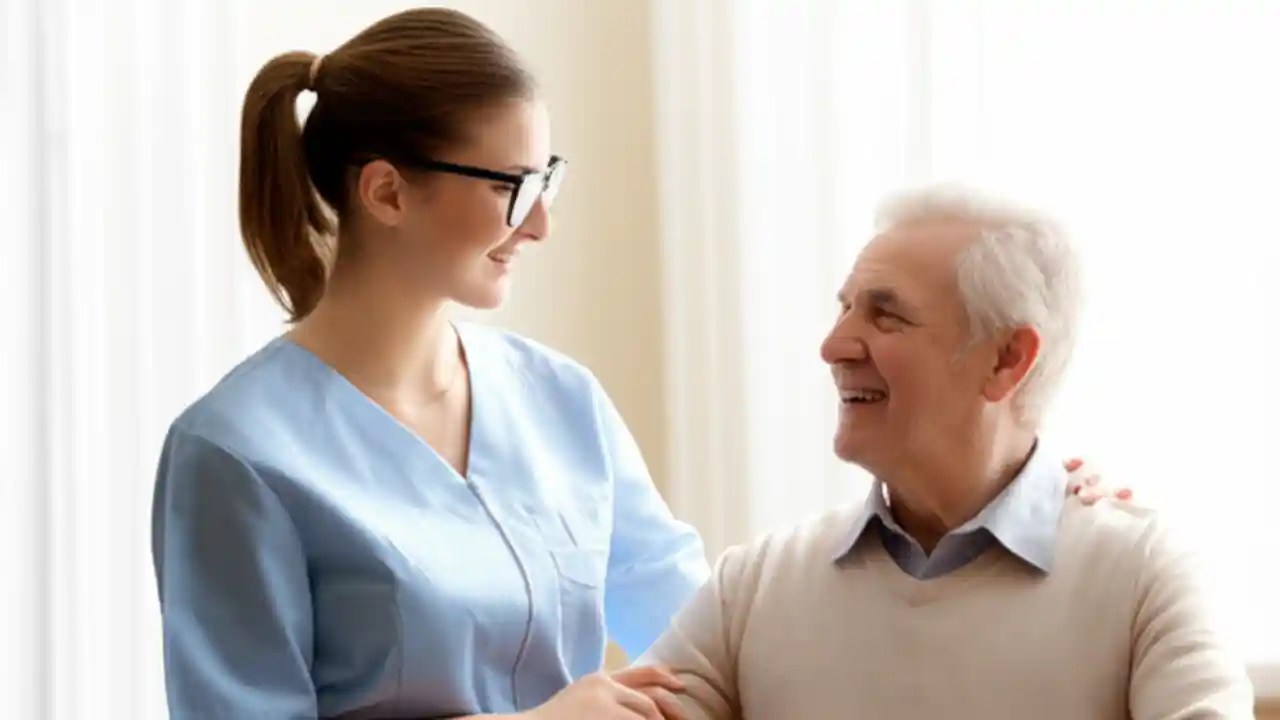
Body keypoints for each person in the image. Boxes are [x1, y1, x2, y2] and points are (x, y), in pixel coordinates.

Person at [149, 9, 1124, 719]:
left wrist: (1012, 501)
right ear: (385, 193)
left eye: (549, 178)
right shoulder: (236, 455)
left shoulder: (557, 400)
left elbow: (717, 627)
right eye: (513, 185)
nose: (541, 222)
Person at [637, 187, 1253, 719]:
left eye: (887, 316)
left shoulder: (1146, 574)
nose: (834, 345)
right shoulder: (755, 585)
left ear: (1006, 359)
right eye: (845, 308)